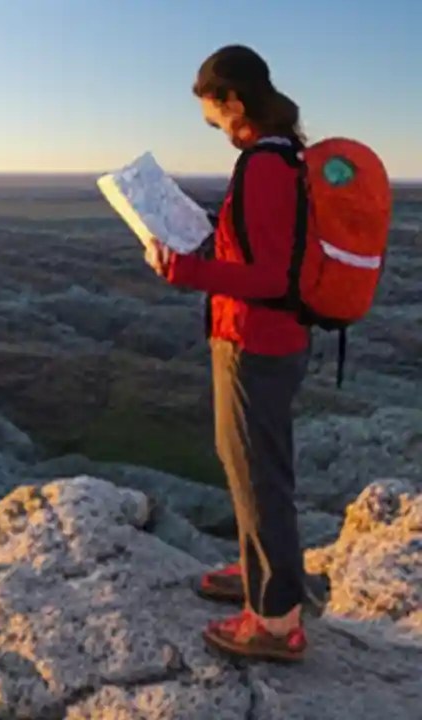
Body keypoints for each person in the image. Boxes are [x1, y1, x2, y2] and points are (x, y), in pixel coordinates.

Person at [144, 44, 310, 663]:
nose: (209, 122)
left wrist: (184, 270)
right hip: (269, 339)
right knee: (255, 465)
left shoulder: (265, 164)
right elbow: (265, 247)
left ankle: (274, 621)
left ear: (234, 102)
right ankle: (258, 574)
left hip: (255, 341)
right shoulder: (285, 157)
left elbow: (271, 276)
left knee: (258, 473)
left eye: (210, 110)